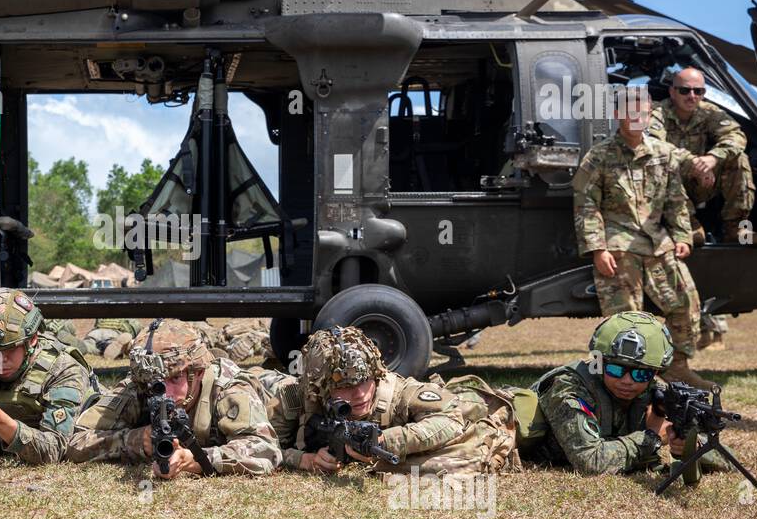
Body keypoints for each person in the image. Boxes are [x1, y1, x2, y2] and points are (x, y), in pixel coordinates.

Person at [573, 86, 712, 389]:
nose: (638, 117)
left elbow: (675, 199)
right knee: (625, 319)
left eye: (644, 112)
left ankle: (676, 368)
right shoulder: (598, 157)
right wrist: (597, 249)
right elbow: (585, 204)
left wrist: (682, 236)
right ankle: (629, 378)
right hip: (618, 246)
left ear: (650, 115)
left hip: (658, 244)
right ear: (617, 115)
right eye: (631, 111)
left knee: (686, 302)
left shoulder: (662, 154)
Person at [263, 326, 517, 475]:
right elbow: (261, 447)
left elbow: (452, 419)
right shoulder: (296, 398)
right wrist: (302, 459)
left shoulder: (400, 393)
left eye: (365, 381)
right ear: (320, 390)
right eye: (345, 388)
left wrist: (386, 441)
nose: (360, 394)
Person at [527, 311, 732, 477]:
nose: (628, 381)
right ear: (599, 363)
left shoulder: (654, 393)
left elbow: (728, 460)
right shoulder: (568, 387)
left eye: (641, 373)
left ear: (655, 373)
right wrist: (652, 438)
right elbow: (591, 462)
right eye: (616, 369)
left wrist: (690, 445)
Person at [66, 319, 281, 476]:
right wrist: (135, 440)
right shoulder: (140, 387)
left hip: (273, 393)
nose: (164, 391)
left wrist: (197, 459)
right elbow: (76, 440)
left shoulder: (228, 387)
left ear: (197, 372)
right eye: (157, 382)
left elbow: (267, 450)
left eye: (175, 378)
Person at [0, 288, 95, 464]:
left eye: (9, 350)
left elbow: (55, 450)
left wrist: (0, 421)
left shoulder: (62, 369)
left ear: (32, 339)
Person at [648, 67, 757, 246]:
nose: (691, 96)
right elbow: (654, 145)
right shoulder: (658, 112)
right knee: (660, 164)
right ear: (672, 92)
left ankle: (735, 228)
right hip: (669, 188)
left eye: (698, 91)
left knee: (739, 158)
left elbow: (736, 135)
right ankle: (688, 225)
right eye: (685, 90)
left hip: (702, 183)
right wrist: (694, 163)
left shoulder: (709, 112)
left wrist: (713, 158)